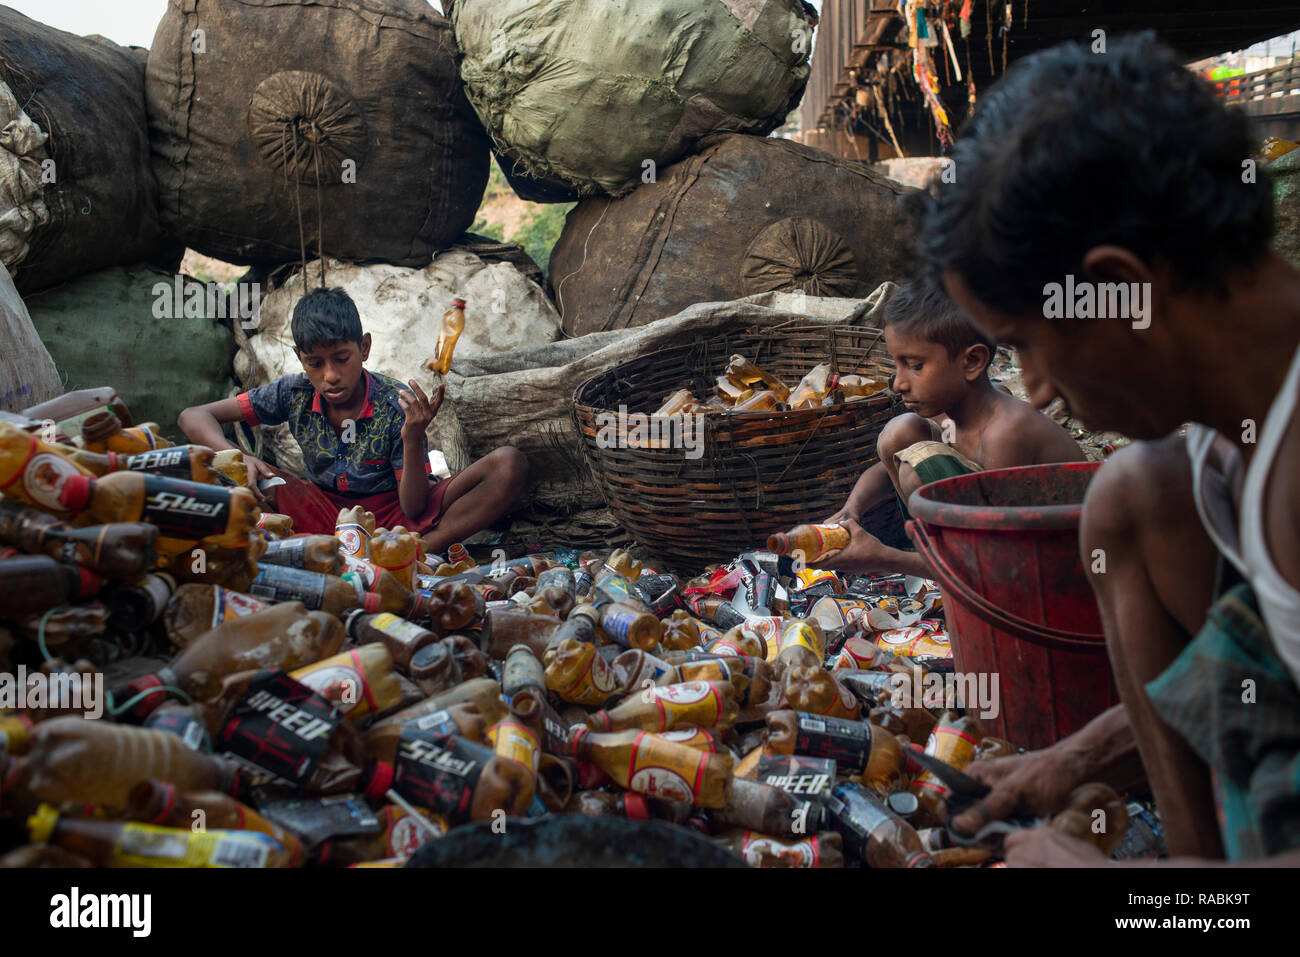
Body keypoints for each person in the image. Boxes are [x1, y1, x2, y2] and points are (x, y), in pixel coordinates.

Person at [919, 31, 1300, 866]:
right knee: (1132, 494)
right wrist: (1071, 760)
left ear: (1123, 289)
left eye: (1025, 341)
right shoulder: (1226, 438)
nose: (1039, 388)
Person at [179, 287, 528, 551]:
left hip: (396, 516)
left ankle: (419, 550)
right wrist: (243, 459)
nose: (330, 375)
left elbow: (415, 505)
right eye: (315, 363)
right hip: (322, 509)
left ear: (364, 348)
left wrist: (411, 436)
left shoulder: (395, 403)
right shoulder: (292, 392)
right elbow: (193, 417)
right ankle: (368, 553)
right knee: (244, 479)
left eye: (342, 358)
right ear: (301, 359)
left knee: (508, 465)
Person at [826, 280, 1085, 576]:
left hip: (1058, 565)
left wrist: (882, 557)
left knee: (918, 465)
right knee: (901, 433)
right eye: (897, 365)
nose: (898, 383)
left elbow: (1003, 560)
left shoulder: (1006, 433)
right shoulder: (951, 414)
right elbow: (886, 470)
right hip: (995, 549)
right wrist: (852, 509)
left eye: (915, 366)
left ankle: (944, 564)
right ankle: (938, 553)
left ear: (972, 362)